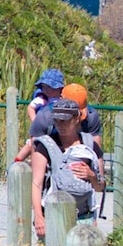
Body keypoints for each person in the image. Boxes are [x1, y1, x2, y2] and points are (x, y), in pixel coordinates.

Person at [24, 98, 105, 237]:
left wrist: (91, 176)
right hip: (53, 215)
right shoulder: (44, 145)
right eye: (56, 120)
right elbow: (36, 183)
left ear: (76, 118)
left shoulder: (90, 145)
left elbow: (100, 187)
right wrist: (38, 217)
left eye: (65, 120)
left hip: (85, 217)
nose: (60, 125)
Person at [14, 83, 103, 161]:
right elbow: (35, 148)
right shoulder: (44, 117)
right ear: (60, 99)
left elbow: (96, 152)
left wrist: (97, 177)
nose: (78, 118)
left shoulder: (91, 117)